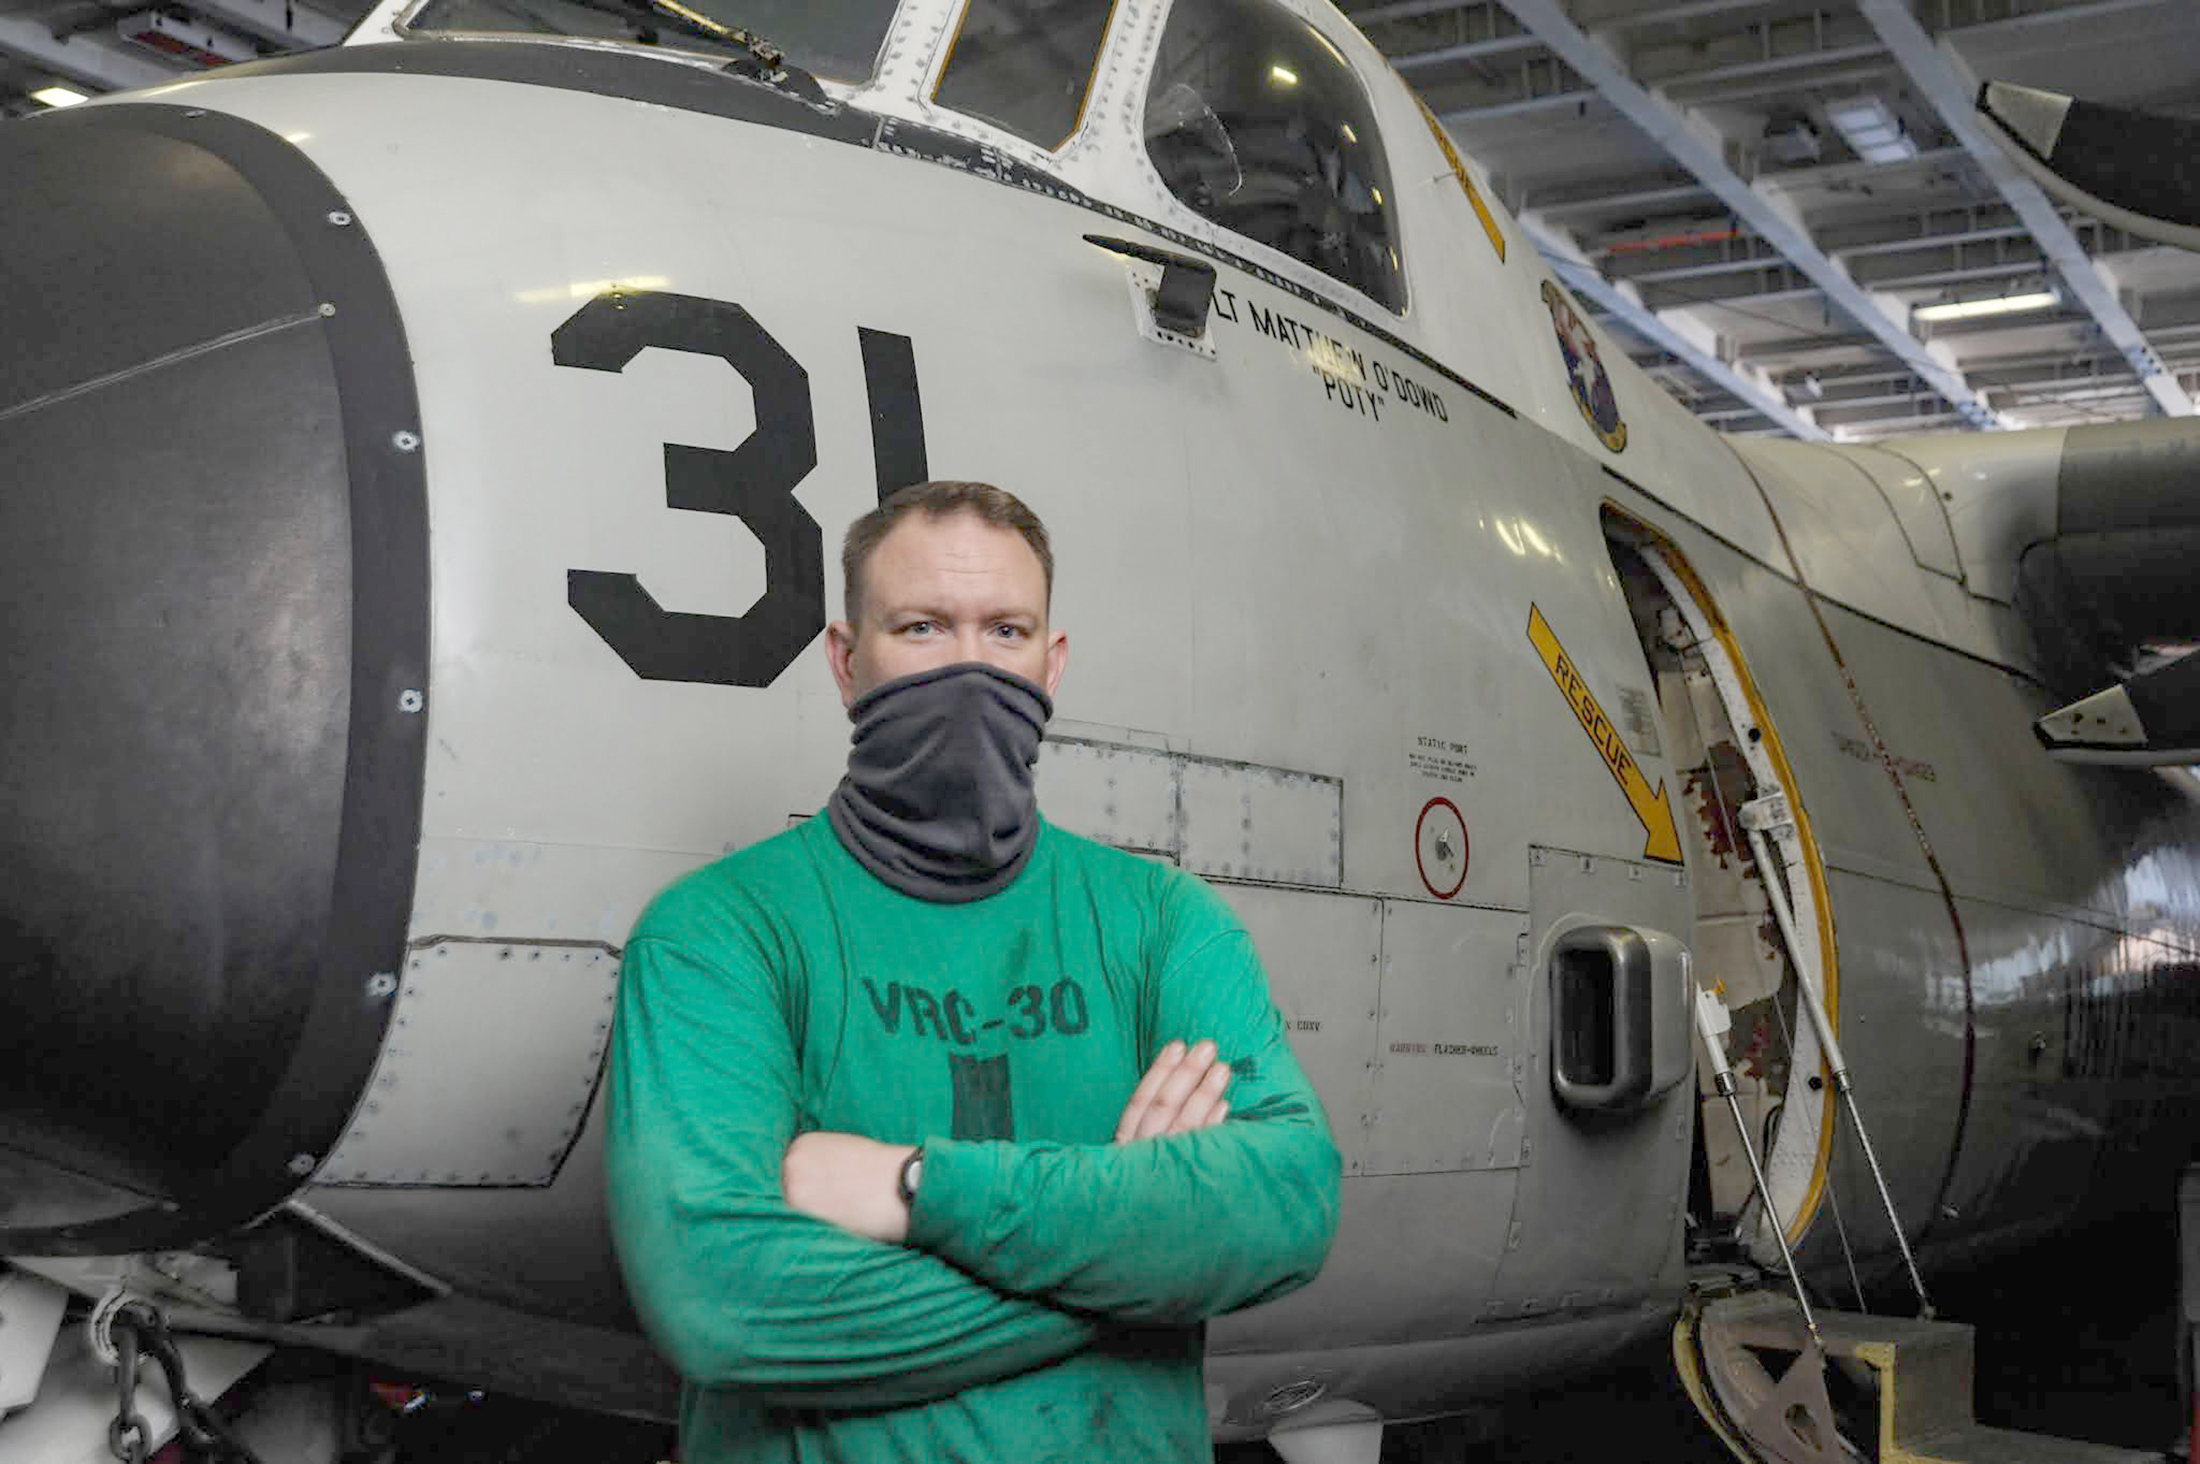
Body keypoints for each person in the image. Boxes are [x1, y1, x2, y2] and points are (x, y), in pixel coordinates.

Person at [604, 480, 1341, 1462]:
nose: (966, 668)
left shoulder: (1164, 924)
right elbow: (724, 1302)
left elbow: (1286, 1205)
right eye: (920, 627)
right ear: (844, 660)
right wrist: (1143, 1265)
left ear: (1052, 661)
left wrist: (917, 1187)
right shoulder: (716, 935)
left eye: (1004, 631)